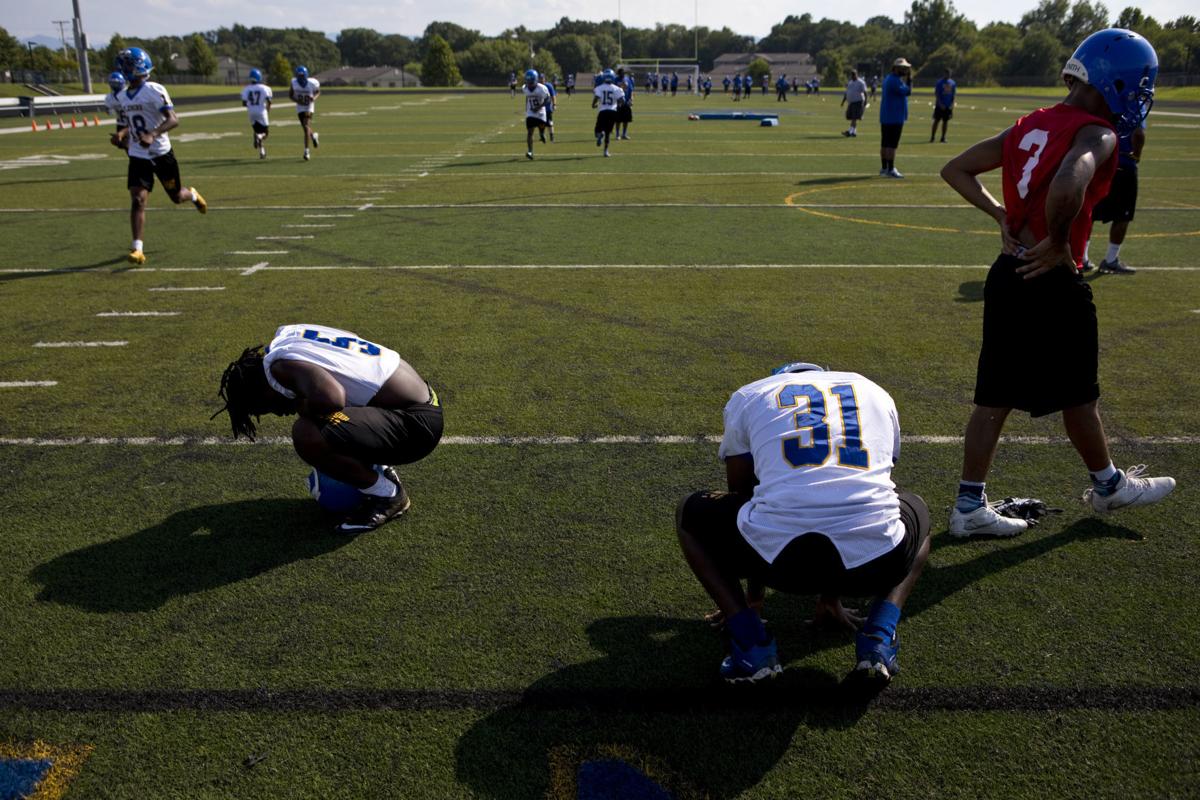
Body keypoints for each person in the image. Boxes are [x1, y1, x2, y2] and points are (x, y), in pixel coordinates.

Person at [939, 28, 1174, 539]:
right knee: (1080, 396)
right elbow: (1071, 178)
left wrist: (1001, 215)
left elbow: (956, 169)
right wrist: (1061, 240)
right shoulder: (1097, 132)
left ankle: (969, 504)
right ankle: (1108, 486)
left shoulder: (1031, 123)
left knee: (993, 399)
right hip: (1053, 279)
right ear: (1117, 83)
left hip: (1008, 272)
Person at [675, 363, 930, 685]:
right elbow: (860, 489)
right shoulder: (873, 391)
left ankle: (750, 642)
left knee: (688, 512)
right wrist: (831, 594)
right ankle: (879, 636)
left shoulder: (752, 394)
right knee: (913, 509)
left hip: (780, 564)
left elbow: (744, 495)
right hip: (878, 562)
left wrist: (754, 598)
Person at [214, 324, 443, 535]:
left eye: (265, 408)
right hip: (419, 400)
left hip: (416, 424)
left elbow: (332, 398)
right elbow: (350, 340)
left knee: (307, 432)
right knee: (323, 415)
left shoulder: (279, 368)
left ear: (261, 392)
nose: (277, 413)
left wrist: (302, 406)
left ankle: (387, 495)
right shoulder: (288, 334)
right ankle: (379, 470)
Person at [108, 48, 206, 265]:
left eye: (127, 65)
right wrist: (121, 135)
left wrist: (152, 134)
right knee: (137, 199)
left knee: (176, 197)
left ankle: (192, 195)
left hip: (161, 153)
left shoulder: (154, 89)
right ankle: (137, 249)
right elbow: (130, 123)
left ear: (137, 66)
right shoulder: (122, 96)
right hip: (138, 154)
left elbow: (173, 119)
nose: (123, 69)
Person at [1084, 119, 1146, 273]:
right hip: (1123, 165)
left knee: (1090, 212)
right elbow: (1138, 134)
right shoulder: (1135, 106)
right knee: (1123, 215)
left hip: (1100, 163)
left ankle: (1082, 257)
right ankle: (1111, 259)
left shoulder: (1100, 105)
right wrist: (1137, 155)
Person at [879, 57, 911, 178]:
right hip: (894, 116)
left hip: (887, 116)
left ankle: (884, 168)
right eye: (903, 68)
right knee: (892, 145)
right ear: (896, 68)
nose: (905, 71)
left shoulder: (889, 79)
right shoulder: (895, 81)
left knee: (885, 143)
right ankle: (890, 169)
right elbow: (907, 91)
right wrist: (909, 80)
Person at [592, 68, 626, 158]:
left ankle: (600, 134)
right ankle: (606, 151)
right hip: (612, 112)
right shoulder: (617, 88)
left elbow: (596, 98)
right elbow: (622, 101)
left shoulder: (599, 88)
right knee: (608, 133)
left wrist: (593, 104)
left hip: (602, 111)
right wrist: (619, 104)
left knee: (597, 131)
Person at [289, 65, 320, 161]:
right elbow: (290, 95)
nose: (300, 77)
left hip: (309, 107)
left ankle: (306, 151)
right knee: (305, 128)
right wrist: (297, 101)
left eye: (302, 75)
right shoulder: (294, 82)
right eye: (299, 75)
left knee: (306, 127)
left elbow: (318, 92)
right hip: (300, 107)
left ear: (306, 75)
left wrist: (313, 98)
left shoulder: (312, 83)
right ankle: (313, 136)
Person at [241, 68, 273, 160]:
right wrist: (267, 110)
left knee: (257, 131)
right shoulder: (265, 88)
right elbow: (269, 101)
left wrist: (251, 106)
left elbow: (244, 103)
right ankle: (259, 137)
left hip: (251, 112)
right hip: (261, 111)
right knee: (265, 133)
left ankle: (262, 152)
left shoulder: (246, 89)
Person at [521, 69, 551, 160]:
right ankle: (530, 151)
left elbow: (548, 99)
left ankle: (542, 134)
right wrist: (527, 109)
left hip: (541, 113)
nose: (530, 84)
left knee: (541, 128)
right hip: (530, 113)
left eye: (531, 82)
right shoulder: (525, 88)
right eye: (528, 82)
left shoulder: (542, 88)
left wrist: (538, 107)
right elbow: (527, 97)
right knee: (530, 132)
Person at [103, 70, 128, 150]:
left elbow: (109, 111)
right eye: (113, 83)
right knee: (124, 146)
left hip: (130, 124)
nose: (115, 86)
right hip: (122, 124)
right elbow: (109, 111)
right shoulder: (110, 97)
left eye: (116, 83)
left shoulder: (127, 94)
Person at [931, 68, 956, 143]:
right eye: (946, 73)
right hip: (940, 106)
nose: (948, 75)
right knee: (936, 121)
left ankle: (943, 137)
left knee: (945, 122)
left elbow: (953, 94)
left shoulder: (952, 83)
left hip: (948, 105)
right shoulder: (939, 82)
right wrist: (940, 104)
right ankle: (932, 137)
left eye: (949, 73)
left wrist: (952, 104)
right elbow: (937, 94)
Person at [841, 69, 868, 137]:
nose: (853, 76)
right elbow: (847, 92)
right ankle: (854, 132)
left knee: (854, 117)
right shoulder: (850, 82)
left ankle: (850, 131)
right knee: (850, 116)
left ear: (856, 74)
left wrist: (865, 101)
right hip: (851, 102)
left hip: (858, 102)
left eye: (854, 74)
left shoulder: (861, 82)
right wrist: (843, 101)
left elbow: (865, 92)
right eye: (852, 75)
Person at [615, 66, 634, 140]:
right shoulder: (615, 80)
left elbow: (631, 90)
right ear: (619, 74)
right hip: (618, 102)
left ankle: (624, 134)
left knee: (626, 120)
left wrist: (631, 99)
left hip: (626, 102)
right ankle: (617, 134)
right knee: (618, 120)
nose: (623, 74)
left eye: (623, 73)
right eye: (621, 73)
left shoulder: (627, 79)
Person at [541, 71, 557, 143]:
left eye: (542, 78)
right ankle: (542, 135)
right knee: (541, 123)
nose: (541, 80)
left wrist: (554, 104)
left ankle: (551, 137)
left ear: (544, 79)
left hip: (547, 108)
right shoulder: (537, 86)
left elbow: (553, 95)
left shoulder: (549, 86)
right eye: (540, 78)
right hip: (540, 109)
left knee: (550, 123)